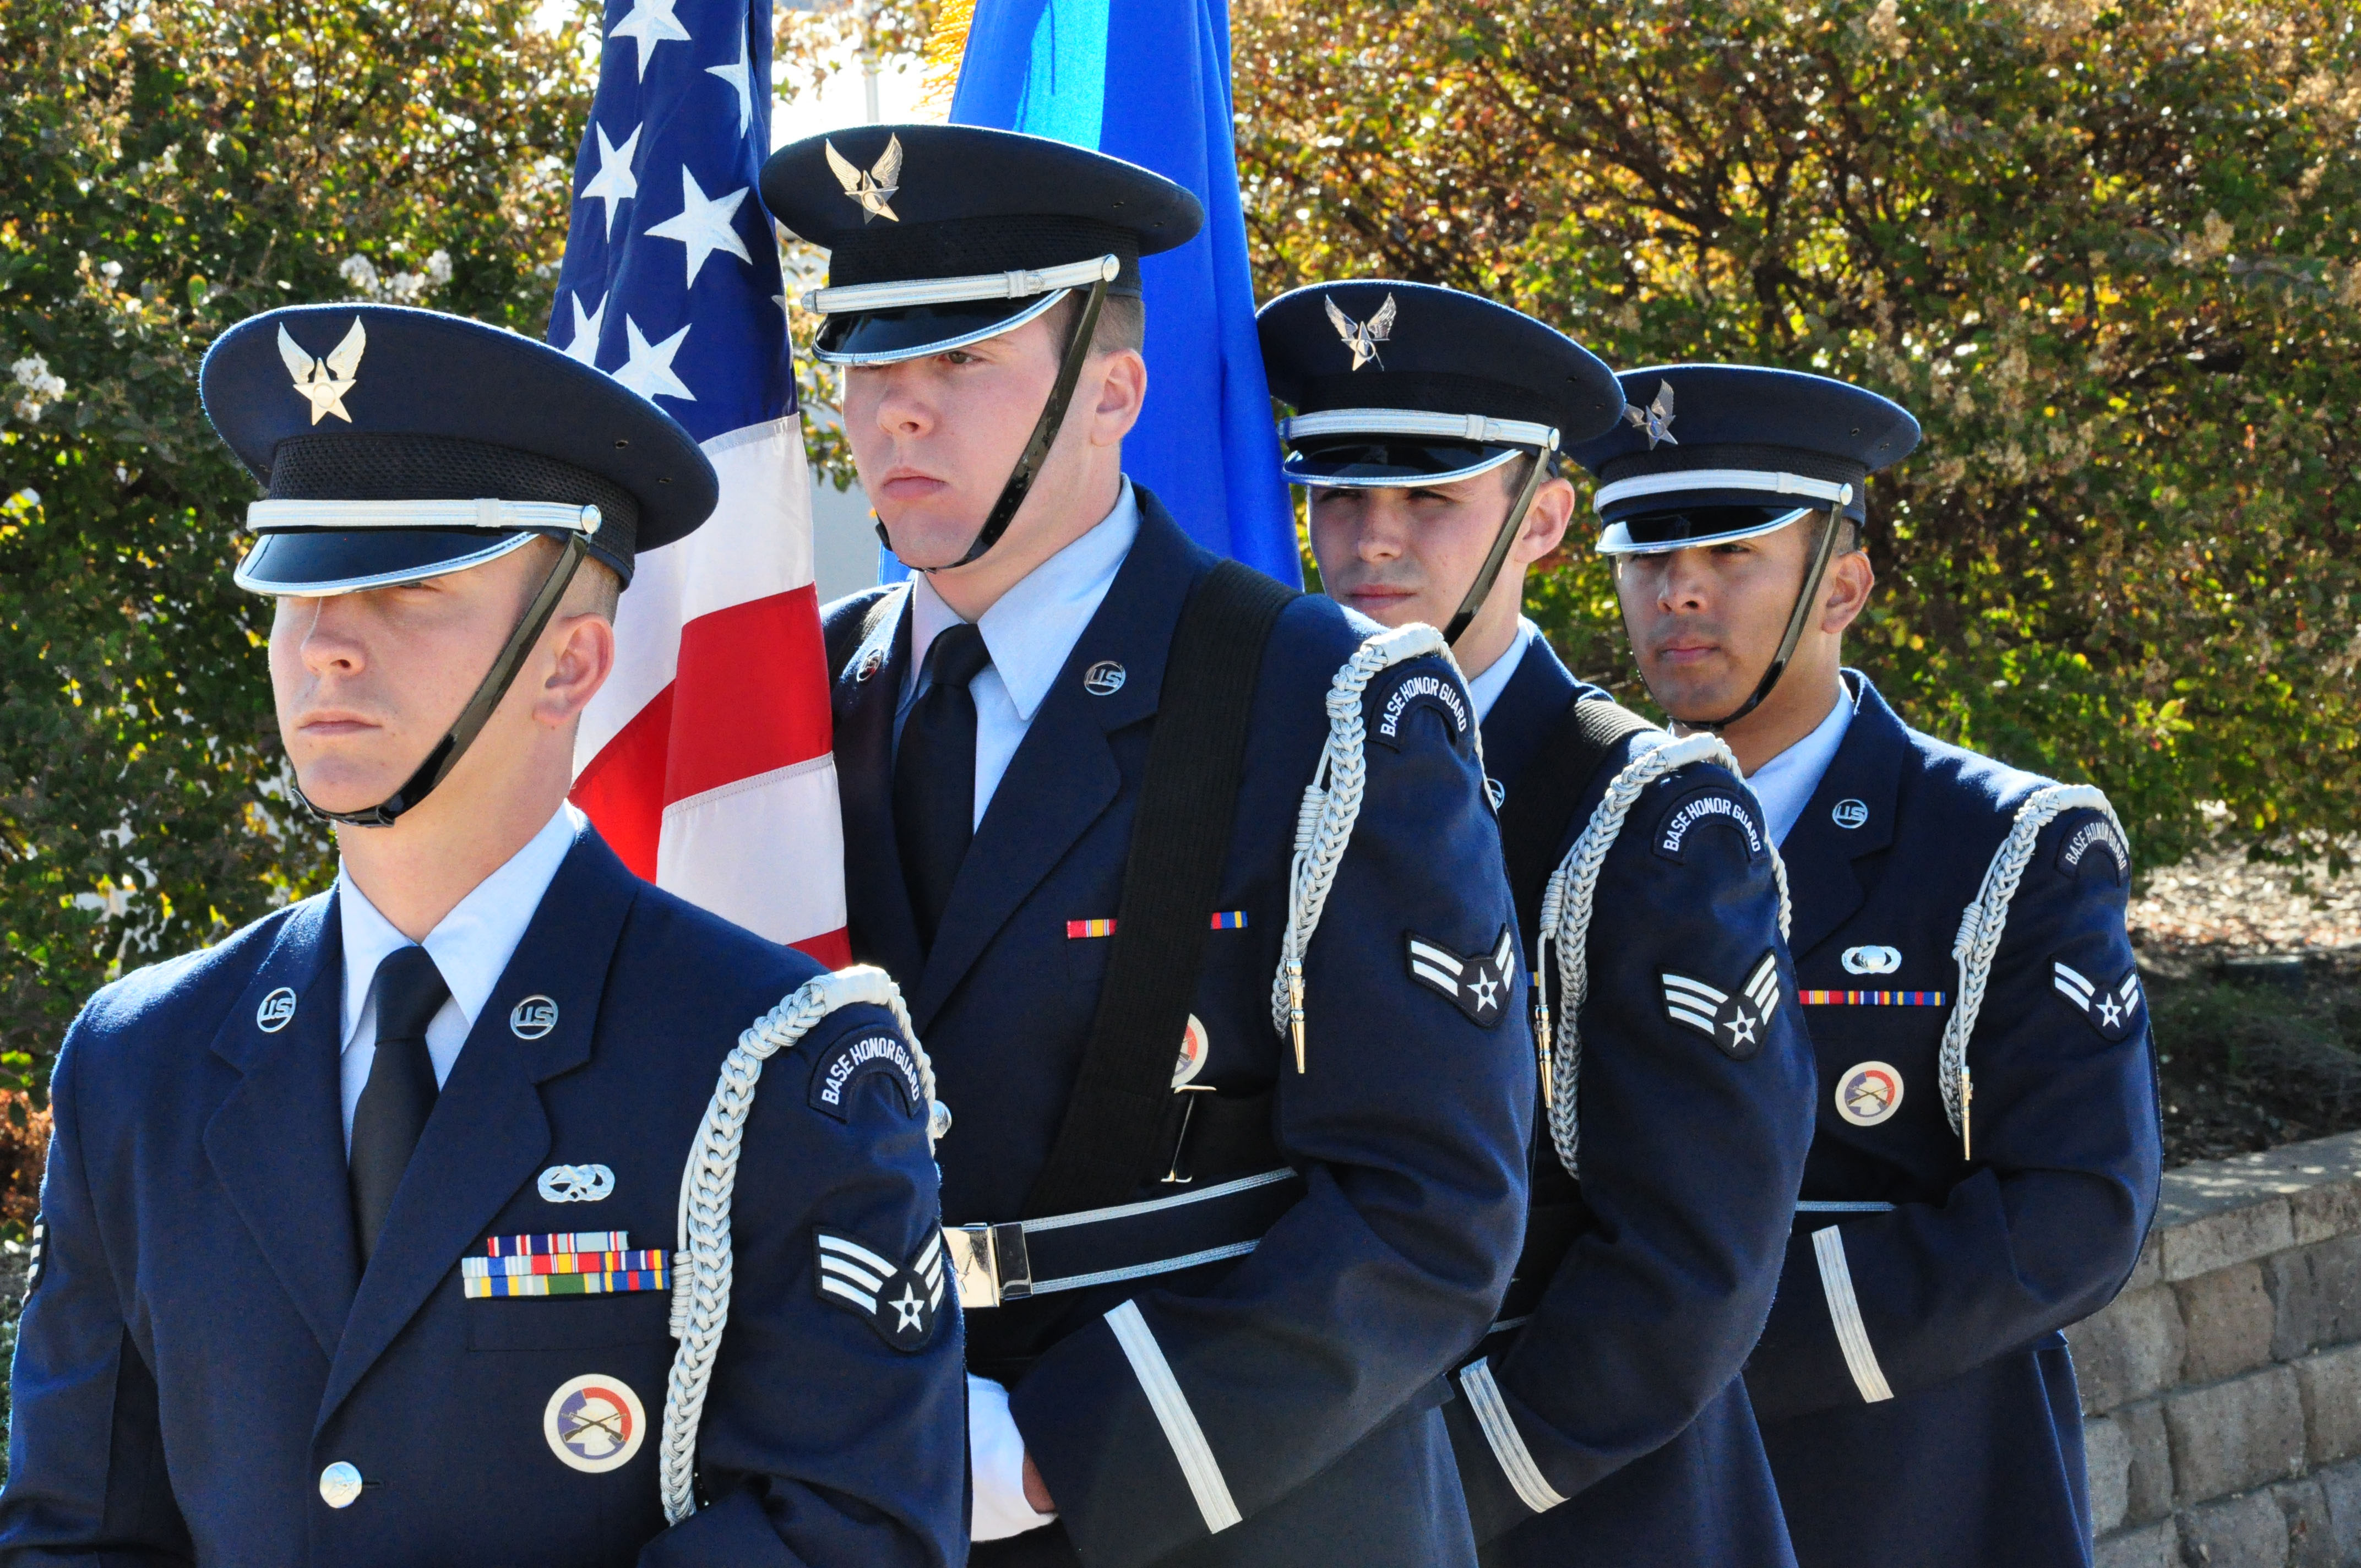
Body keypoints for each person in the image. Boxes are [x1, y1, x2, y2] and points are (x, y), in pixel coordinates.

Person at [0, 304, 967, 1567]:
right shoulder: (144, 1061)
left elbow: (852, 1528)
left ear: (569, 663)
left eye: (408, 589)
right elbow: (76, 1531)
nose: (327, 643)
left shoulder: (773, 1060)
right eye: (298, 590)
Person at [762, 126, 1534, 1568]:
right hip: (861, 1489)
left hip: (1236, 1510)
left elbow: (1431, 1205)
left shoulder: (1327, 703)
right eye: (868, 363)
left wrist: (1054, 1453)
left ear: (1111, 391)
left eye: (962, 360)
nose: (897, 413)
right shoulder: (790, 705)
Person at [1568, 362, 2162, 1567]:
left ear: (1842, 586)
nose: (1678, 591)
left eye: (1732, 553)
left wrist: (1680, 1345)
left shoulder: (2002, 841)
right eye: (1644, 555)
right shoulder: (1561, 825)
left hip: (1896, 1483)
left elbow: (2075, 1212)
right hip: (1611, 1492)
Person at [1262, 280, 1817, 1566]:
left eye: (1429, 498)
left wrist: (1430, 1496)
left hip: (1571, 1508)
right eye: (1336, 493)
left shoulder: (1648, 813)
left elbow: (1693, 1259)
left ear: (1544, 520)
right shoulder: (1260, 768)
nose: (1370, 539)